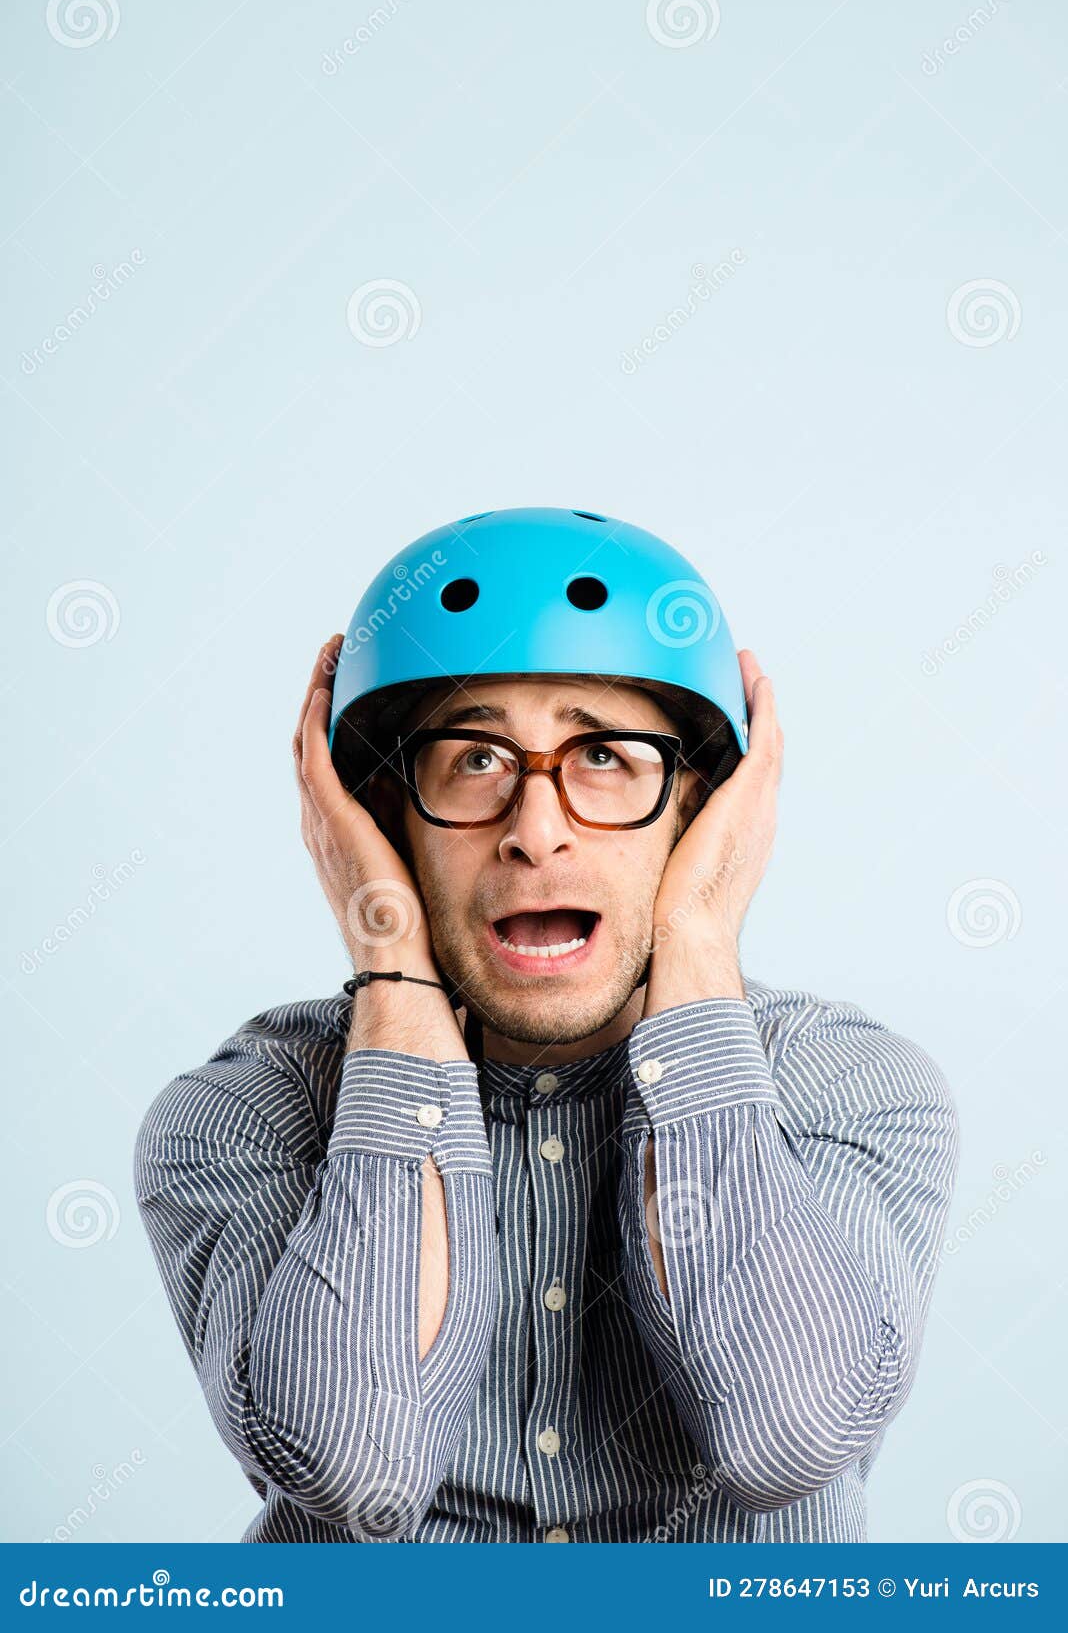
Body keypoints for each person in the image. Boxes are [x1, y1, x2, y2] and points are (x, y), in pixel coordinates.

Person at [134, 507, 958, 1544]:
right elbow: (350, 1466)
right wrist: (392, 963)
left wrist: (698, 941)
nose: (536, 831)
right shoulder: (240, 1113)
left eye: (605, 756)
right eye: (474, 761)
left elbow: (786, 1434)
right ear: (386, 817)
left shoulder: (853, 1086)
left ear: (699, 810)